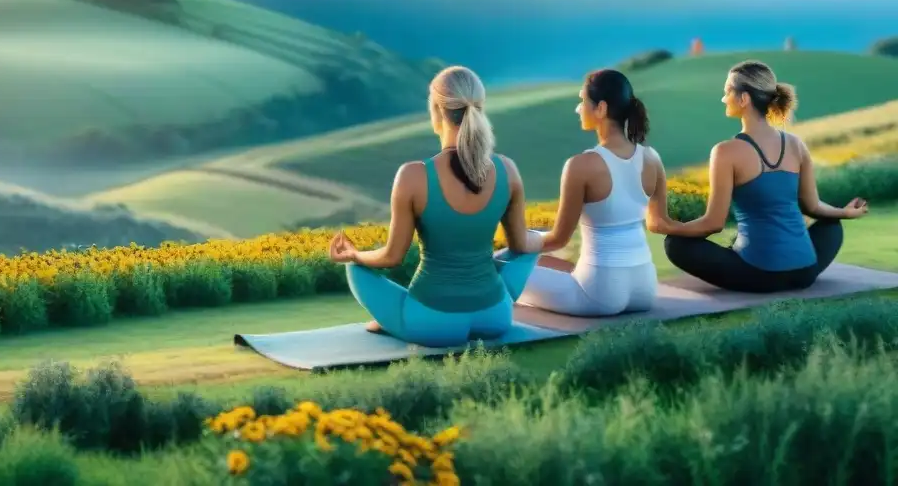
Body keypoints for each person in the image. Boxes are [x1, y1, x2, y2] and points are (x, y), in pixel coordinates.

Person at [327, 65, 543, 348]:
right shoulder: (507, 170)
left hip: (431, 323)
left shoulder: (413, 176)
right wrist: (545, 237)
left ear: (437, 111)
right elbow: (520, 246)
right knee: (529, 244)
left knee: (355, 268)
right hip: (495, 318)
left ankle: (396, 320)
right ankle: (411, 316)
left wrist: (355, 254)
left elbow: (392, 256)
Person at [654, 59, 868, 293]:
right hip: (805, 272)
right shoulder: (796, 145)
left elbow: (713, 224)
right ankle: (787, 261)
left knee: (676, 244)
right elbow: (813, 206)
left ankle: (754, 259)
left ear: (743, 98)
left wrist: (667, 226)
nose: (723, 99)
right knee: (831, 226)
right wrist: (845, 213)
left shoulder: (725, 152)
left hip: (760, 276)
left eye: (727, 92)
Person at [506, 68, 664, 317]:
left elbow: (558, 239)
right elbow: (660, 220)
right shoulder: (652, 158)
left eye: (582, 101)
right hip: (645, 287)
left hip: (599, 293)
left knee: (496, 268)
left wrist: (517, 240)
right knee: (542, 262)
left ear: (600, 108)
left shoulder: (581, 165)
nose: (578, 109)